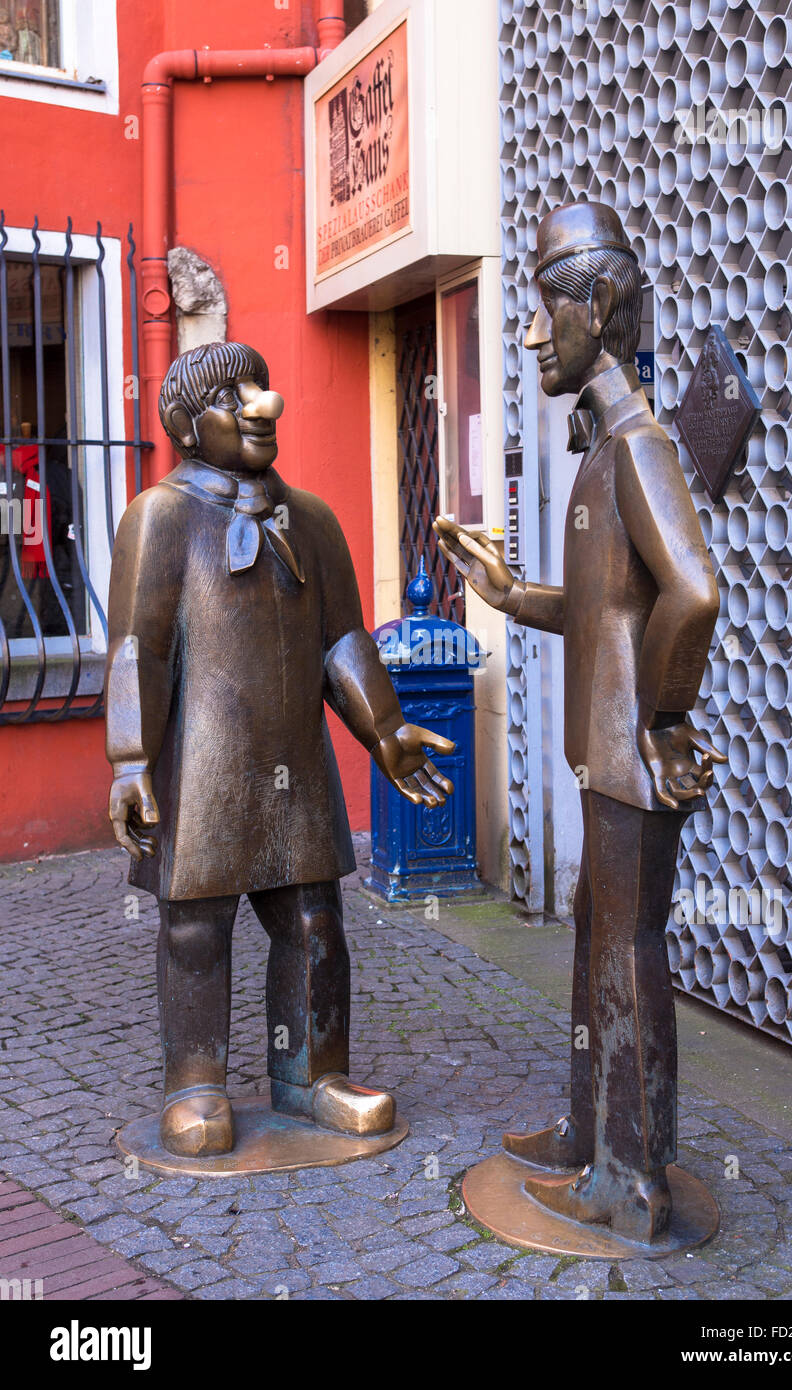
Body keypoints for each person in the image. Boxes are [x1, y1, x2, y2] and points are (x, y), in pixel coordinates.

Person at [435, 202, 724, 1242]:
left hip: (625, 760)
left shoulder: (638, 448)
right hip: (606, 758)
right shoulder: (606, 449)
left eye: (543, 308)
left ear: (596, 307)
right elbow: (605, 609)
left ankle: (631, 1180)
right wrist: (513, 596)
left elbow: (692, 593)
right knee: (594, 942)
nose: (527, 334)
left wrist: (655, 720)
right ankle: (586, 1132)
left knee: (624, 953)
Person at [107, 341, 454, 1158]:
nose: (263, 404)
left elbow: (343, 643)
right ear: (191, 426)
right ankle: (196, 1084)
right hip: (200, 766)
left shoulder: (315, 520)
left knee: (313, 923)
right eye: (236, 395)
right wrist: (129, 758)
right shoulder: (159, 518)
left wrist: (385, 728)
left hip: (294, 764)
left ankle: (312, 1074)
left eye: (262, 386)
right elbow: (138, 652)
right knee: (195, 930)